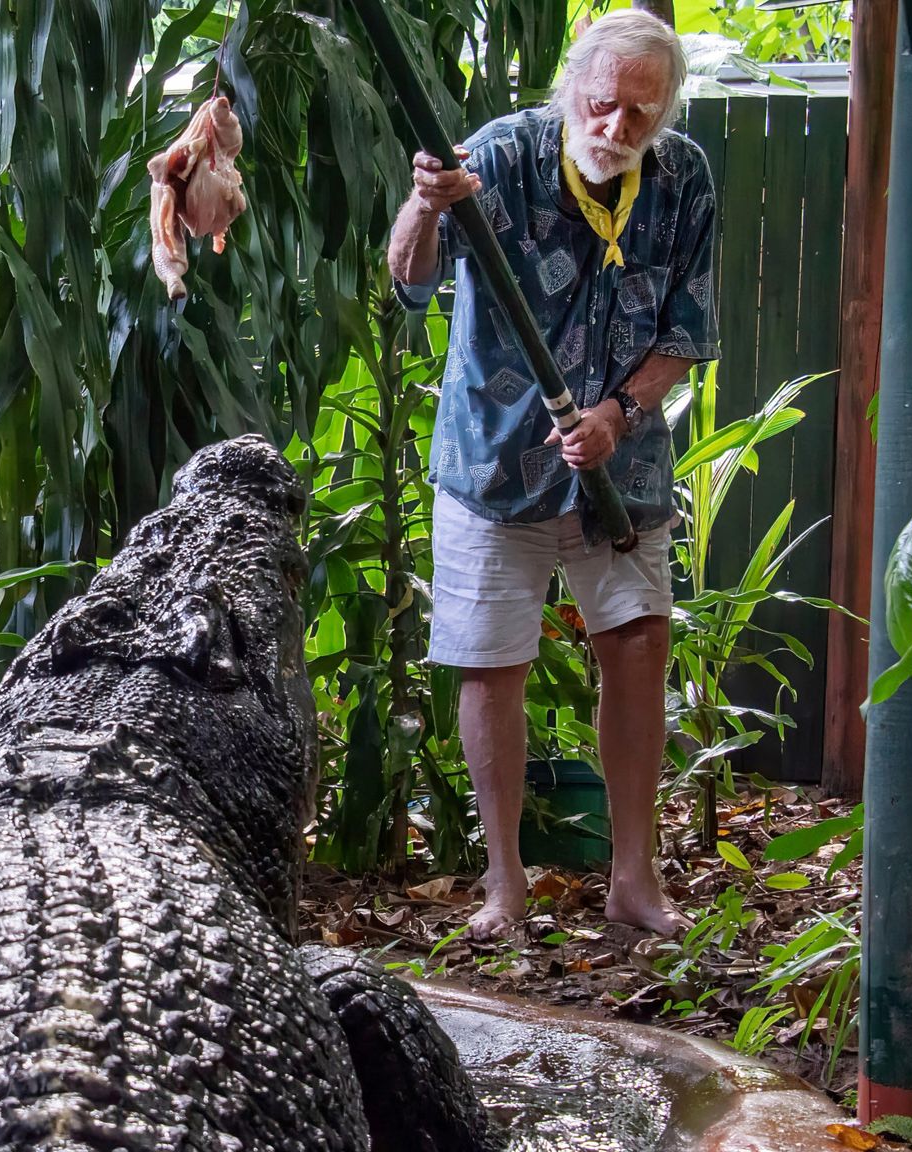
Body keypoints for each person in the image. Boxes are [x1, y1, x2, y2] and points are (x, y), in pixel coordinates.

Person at [388, 9, 718, 939]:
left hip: (623, 466)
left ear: (666, 114)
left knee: (640, 644)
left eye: (639, 117)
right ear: (571, 89)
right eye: (603, 106)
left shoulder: (684, 178)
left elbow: (686, 334)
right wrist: (425, 201)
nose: (616, 129)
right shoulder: (498, 156)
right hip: (495, 462)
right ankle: (503, 888)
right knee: (492, 664)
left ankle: (634, 881)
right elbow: (408, 281)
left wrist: (621, 413)